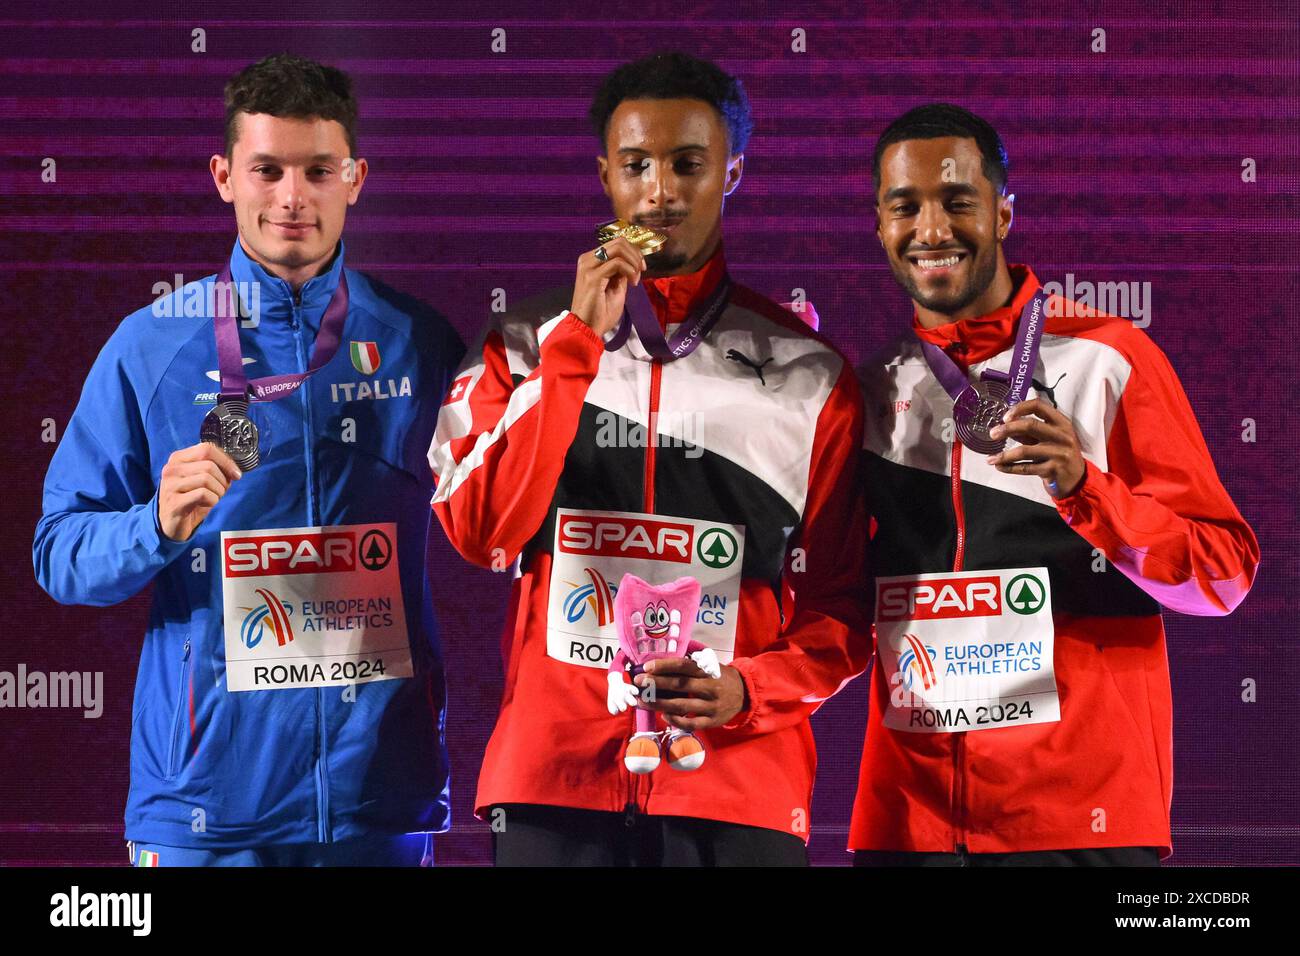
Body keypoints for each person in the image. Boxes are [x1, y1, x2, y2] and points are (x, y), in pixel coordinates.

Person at [430, 51, 870, 866]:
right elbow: (478, 532)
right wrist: (575, 349)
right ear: (605, 174)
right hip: (551, 783)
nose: (660, 190)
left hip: (739, 787)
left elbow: (843, 609)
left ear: (732, 171)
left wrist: (750, 692)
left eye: (687, 164)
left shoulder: (811, 375)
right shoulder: (522, 345)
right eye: (636, 165)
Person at [32, 54, 464, 866]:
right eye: (267, 170)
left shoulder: (419, 340)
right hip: (204, 807)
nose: (292, 197)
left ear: (357, 178)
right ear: (225, 175)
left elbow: (495, 510)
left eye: (317, 170)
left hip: (379, 799)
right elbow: (58, 556)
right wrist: (153, 525)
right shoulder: (150, 346)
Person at [850, 103, 1260, 866]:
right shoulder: (871, 390)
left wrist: (1085, 488)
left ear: (1004, 212)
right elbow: (835, 605)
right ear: (879, 226)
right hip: (909, 827)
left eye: (958, 202)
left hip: (1082, 823)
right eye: (905, 207)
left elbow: (1223, 573)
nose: (932, 228)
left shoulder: (1110, 358)